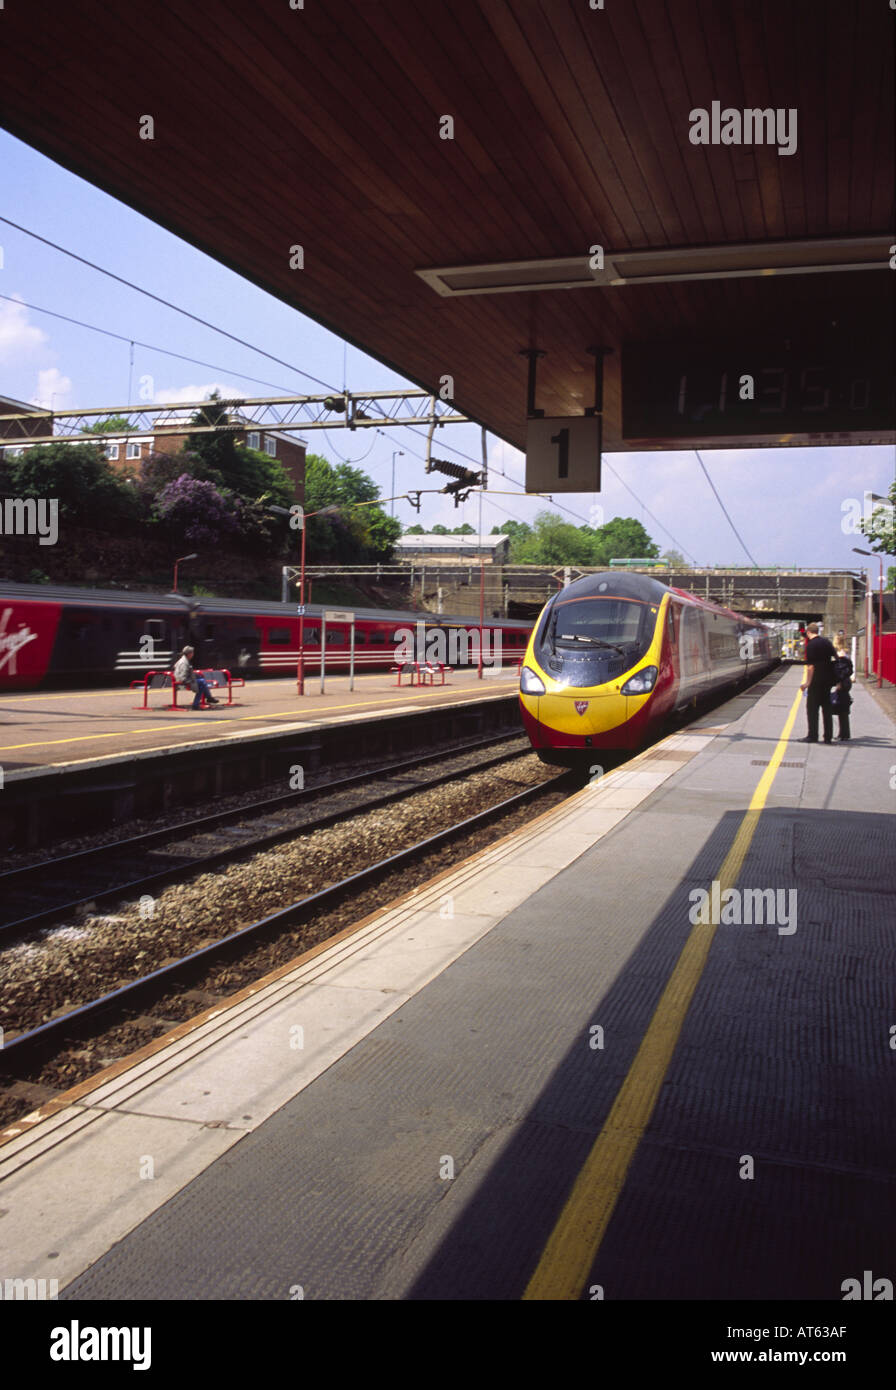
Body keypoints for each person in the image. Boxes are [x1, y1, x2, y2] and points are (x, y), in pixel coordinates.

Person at [798, 622, 835, 743]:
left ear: (808, 632)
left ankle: (813, 735)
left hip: (816, 682)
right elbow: (835, 659)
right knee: (827, 709)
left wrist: (807, 683)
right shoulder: (827, 642)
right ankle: (828, 737)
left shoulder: (811, 645)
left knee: (812, 709)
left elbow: (811, 667)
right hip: (828, 681)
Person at [173, 645, 219, 709]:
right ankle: (208, 698)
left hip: (180, 680)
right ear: (189, 654)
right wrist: (192, 680)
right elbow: (183, 677)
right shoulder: (184, 663)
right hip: (182, 682)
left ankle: (198, 703)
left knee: (201, 683)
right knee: (202, 682)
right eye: (192, 653)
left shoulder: (182, 660)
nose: (193, 654)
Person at [830, 644, 854, 741]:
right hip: (846, 682)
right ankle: (844, 733)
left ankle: (844, 734)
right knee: (843, 708)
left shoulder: (840, 656)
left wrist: (839, 681)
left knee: (842, 708)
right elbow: (849, 670)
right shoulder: (846, 654)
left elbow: (840, 671)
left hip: (843, 683)